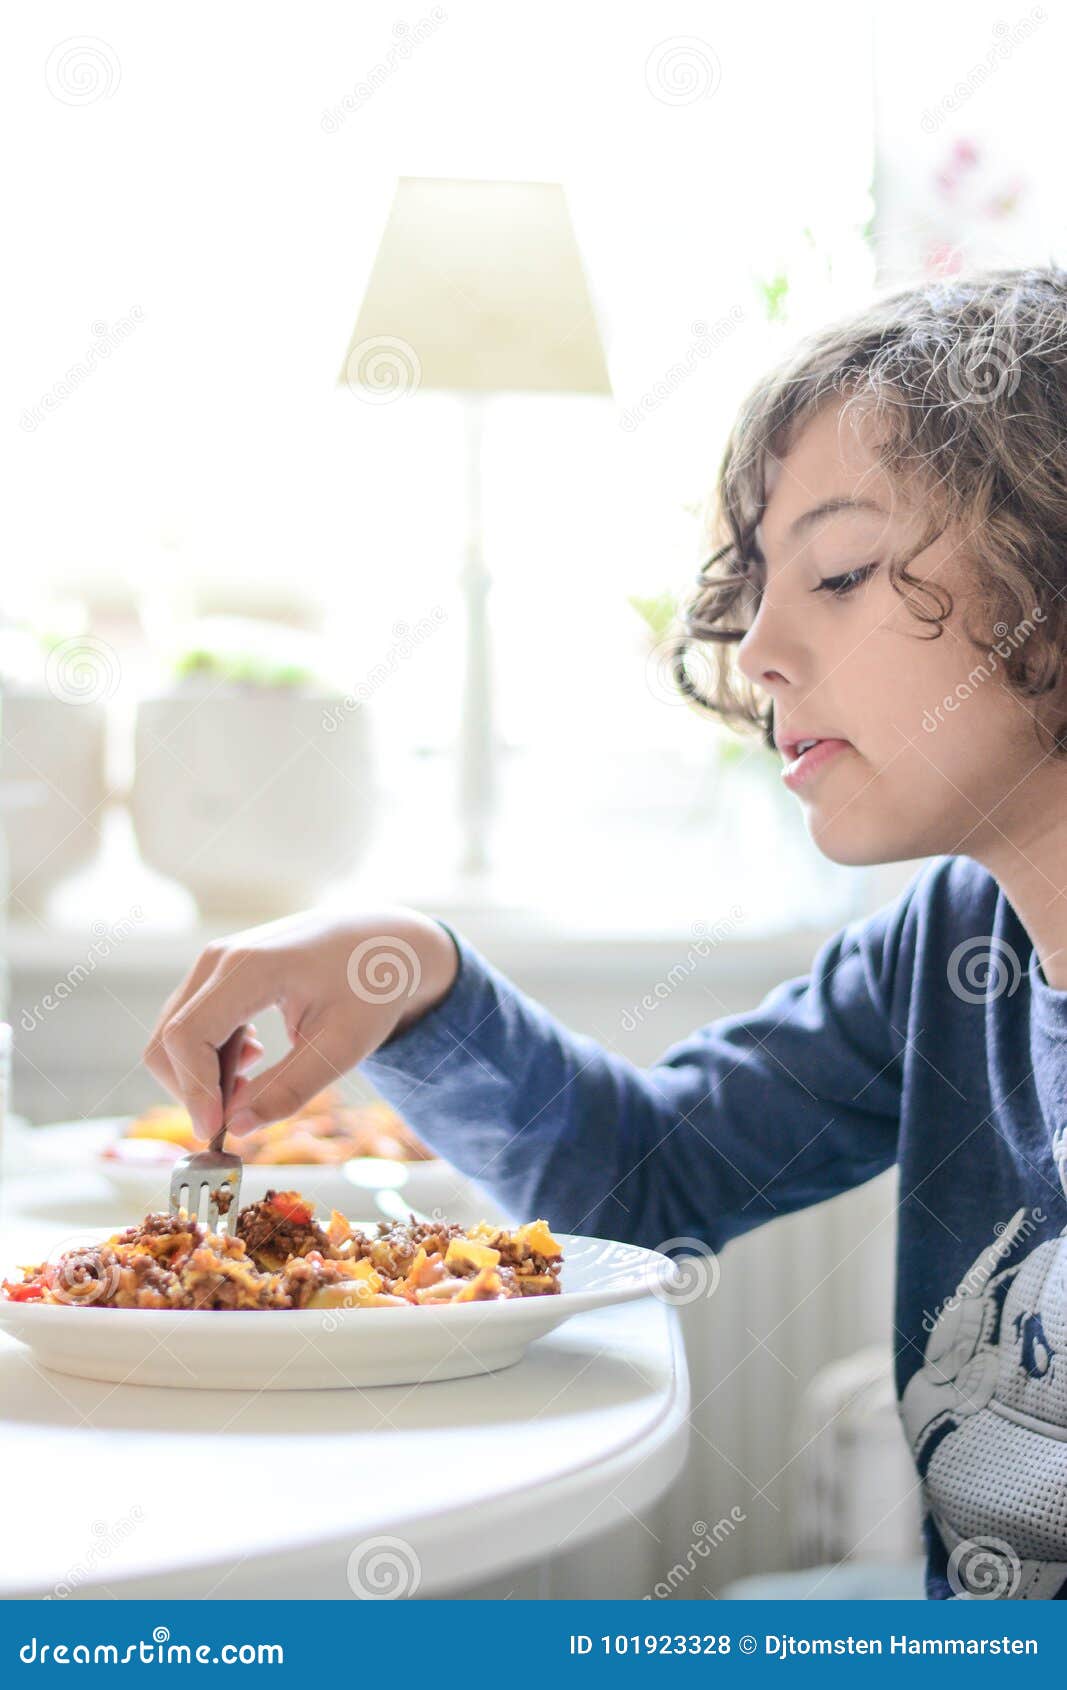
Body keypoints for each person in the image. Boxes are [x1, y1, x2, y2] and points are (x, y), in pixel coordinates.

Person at [145, 268, 1067, 1600]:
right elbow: (643, 1181)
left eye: (842, 571)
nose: (758, 650)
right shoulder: (946, 944)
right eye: (755, 588)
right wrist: (412, 978)